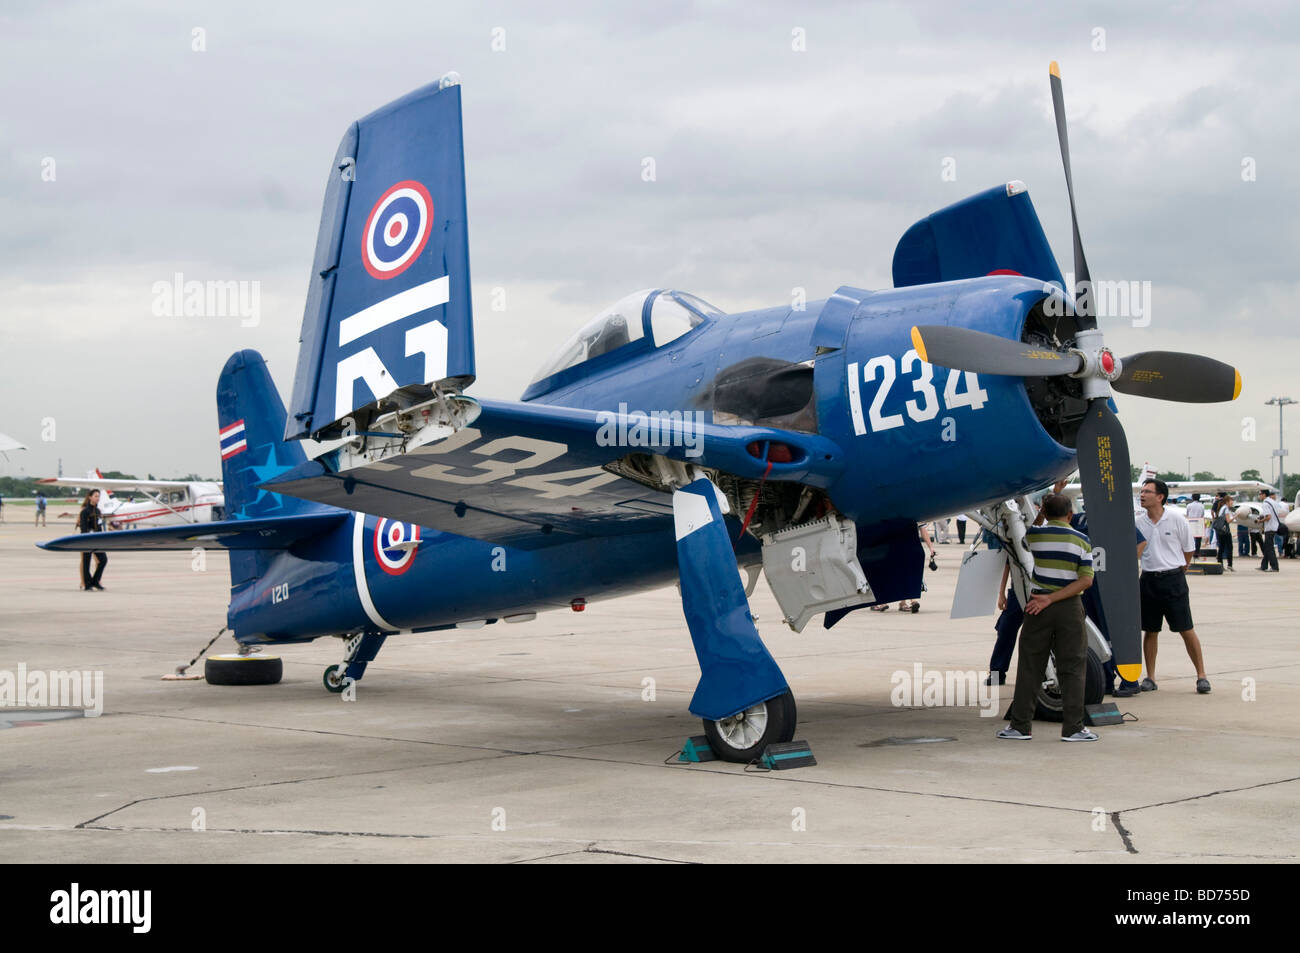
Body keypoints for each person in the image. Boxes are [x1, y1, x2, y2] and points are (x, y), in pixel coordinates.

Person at [997, 493, 1097, 742]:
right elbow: (1086, 580)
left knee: (1030, 666)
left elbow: (1032, 529)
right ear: (1070, 515)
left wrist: (1045, 506)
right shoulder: (1082, 541)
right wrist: (1054, 598)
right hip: (1068, 607)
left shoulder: (1035, 536)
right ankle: (1073, 728)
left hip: (1036, 606)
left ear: (1044, 512)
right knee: (1073, 667)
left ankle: (1020, 726)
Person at [1136, 479, 1209, 693]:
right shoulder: (1138, 522)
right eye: (1141, 491)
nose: (1142, 495)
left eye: (1147, 492)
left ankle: (1201, 676)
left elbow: (1188, 549)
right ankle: (1150, 677)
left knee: (1186, 629)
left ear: (1160, 497)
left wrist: (1178, 570)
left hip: (1173, 580)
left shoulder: (1176, 519)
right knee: (1150, 630)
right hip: (1148, 580)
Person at [77, 489, 108, 591]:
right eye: (95, 496)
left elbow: (99, 527)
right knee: (86, 562)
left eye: (98, 496)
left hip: (97, 540)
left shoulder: (98, 511)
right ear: (90, 497)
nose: (97, 498)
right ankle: (87, 584)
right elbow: (84, 528)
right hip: (87, 540)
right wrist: (87, 539)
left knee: (103, 560)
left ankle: (95, 581)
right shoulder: (85, 511)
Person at [1257, 488, 1280, 572]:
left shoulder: (1265, 503)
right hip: (1275, 526)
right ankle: (1264, 565)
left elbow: (1268, 517)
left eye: (1260, 494)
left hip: (1269, 528)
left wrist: (1260, 521)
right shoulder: (1273, 502)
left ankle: (1274, 567)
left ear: (1264, 495)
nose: (1259, 496)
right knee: (1267, 547)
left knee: (1269, 548)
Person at [1213, 495, 1235, 571]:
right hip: (1225, 531)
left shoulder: (1222, 508)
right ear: (1227, 501)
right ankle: (1230, 565)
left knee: (1221, 548)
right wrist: (1235, 516)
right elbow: (1228, 521)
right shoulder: (1226, 509)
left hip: (1220, 531)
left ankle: (1220, 564)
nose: (1232, 503)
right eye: (1231, 501)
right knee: (1229, 547)